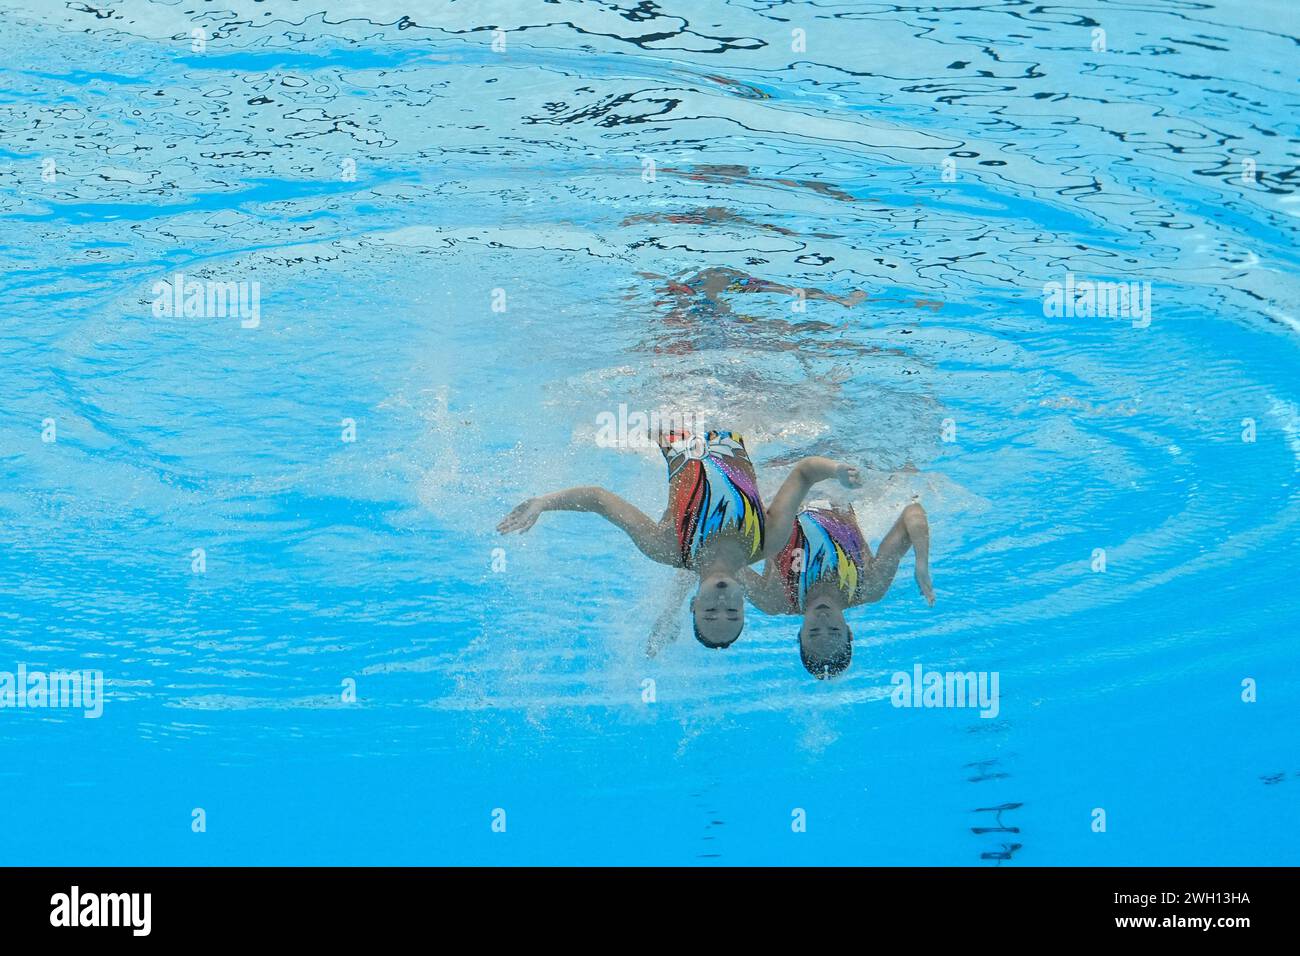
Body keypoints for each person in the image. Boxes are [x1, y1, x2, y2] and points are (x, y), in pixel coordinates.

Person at [497, 429, 861, 649]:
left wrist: (543, 503)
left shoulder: (666, 547)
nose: (721, 602)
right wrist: (837, 471)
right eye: (732, 611)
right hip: (741, 411)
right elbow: (805, 472)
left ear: (694, 605)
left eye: (710, 611)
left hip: (675, 405)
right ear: (744, 606)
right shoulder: (768, 542)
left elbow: (597, 499)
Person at [741, 501, 934, 679]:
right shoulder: (867, 587)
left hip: (779, 478)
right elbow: (913, 512)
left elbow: (716, 560)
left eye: (814, 631)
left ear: (800, 635)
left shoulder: (775, 599)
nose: (823, 619)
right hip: (839, 481)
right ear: (848, 631)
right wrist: (922, 561)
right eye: (834, 630)